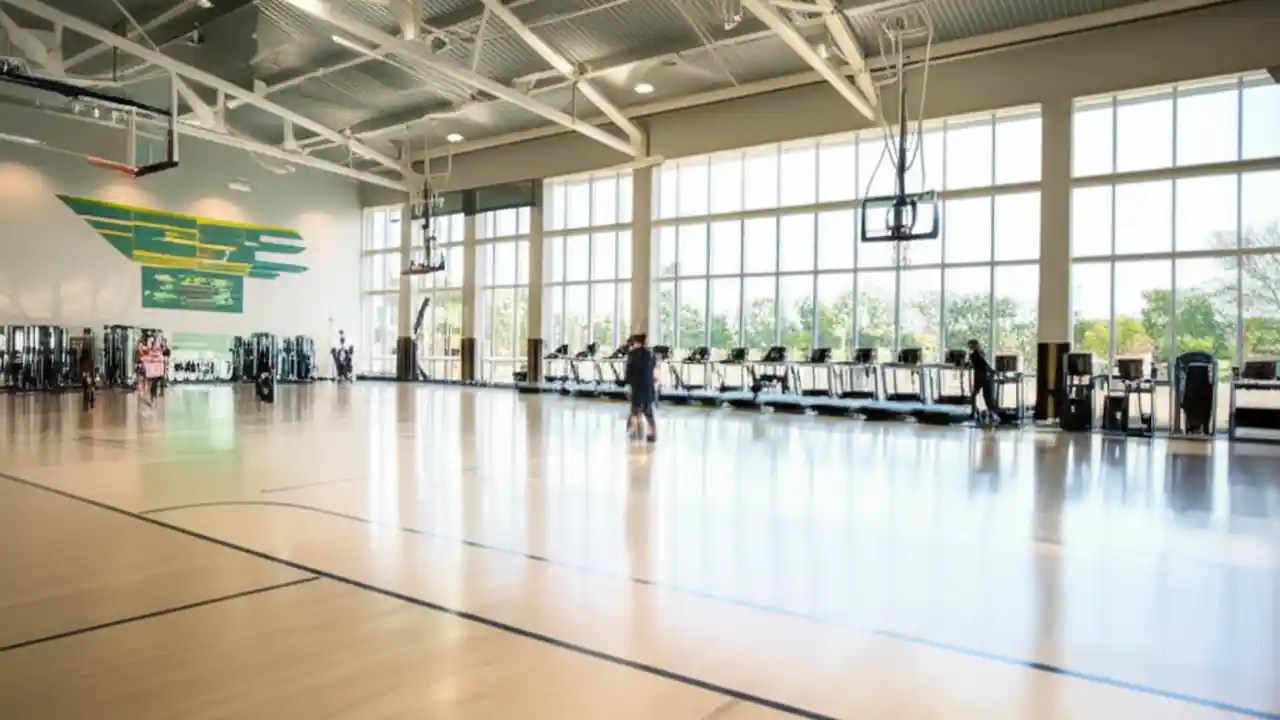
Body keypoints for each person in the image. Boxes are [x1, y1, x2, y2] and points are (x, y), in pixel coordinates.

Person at [624, 333, 657, 443]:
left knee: (635, 409)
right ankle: (652, 433)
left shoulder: (633, 354)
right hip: (647, 386)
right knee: (648, 412)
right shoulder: (650, 354)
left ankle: (633, 430)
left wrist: (627, 383)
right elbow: (652, 368)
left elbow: (629, 371)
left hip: (637, 386)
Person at [967, 338, 999, 426]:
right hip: (984, 375)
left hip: (980, 376)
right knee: (986, 396)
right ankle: (990, 412)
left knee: (975, 395)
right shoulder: (981, 353)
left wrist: (992, 370)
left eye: (970, 345)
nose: (969, 347)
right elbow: (984, 364)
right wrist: (992, 371)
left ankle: (974, 411)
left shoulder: (974, 355)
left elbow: (982, 364)